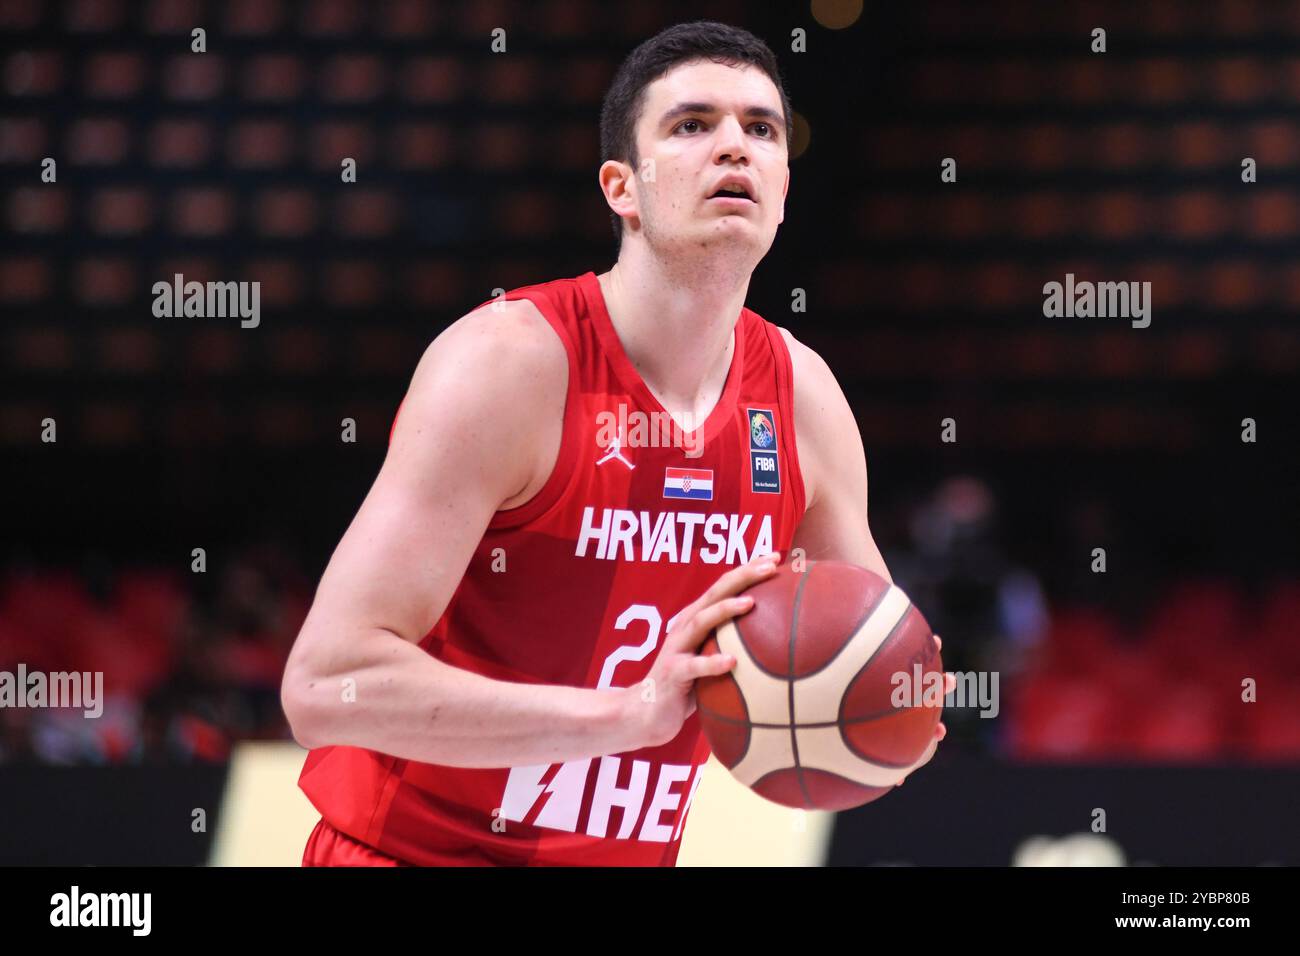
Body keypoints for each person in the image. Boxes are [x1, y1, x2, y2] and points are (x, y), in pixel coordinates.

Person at [281, 20, 949, 867]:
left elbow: (871, 668)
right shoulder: (509, 365)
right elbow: (323, 688)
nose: (735, 148)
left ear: (785, 186)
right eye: (692, 125)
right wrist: (626, 716)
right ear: (621, 188)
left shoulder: (804, 397)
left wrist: (896, 714)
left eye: (762, 129)